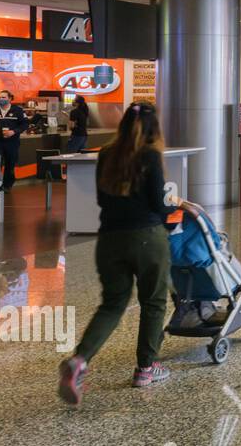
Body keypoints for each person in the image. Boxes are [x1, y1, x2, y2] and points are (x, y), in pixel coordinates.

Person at [58, 102, 179, 405]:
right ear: (154, 127)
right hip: (147, 238)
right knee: (153, 302)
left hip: (109, 239)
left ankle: (80, 360)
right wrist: (172, 209)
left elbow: (101, 198)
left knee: (112, 304)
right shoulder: (150, 155)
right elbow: (157, 203)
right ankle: (146, 368)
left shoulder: (106, 154)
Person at [0, 90, 27, 191]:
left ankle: (7, 185)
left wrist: (14, 132)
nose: (1, 99)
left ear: (10, 98)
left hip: (12, 142)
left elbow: (24, 124)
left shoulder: (18, 110)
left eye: (3, 97)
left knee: (10, 164)